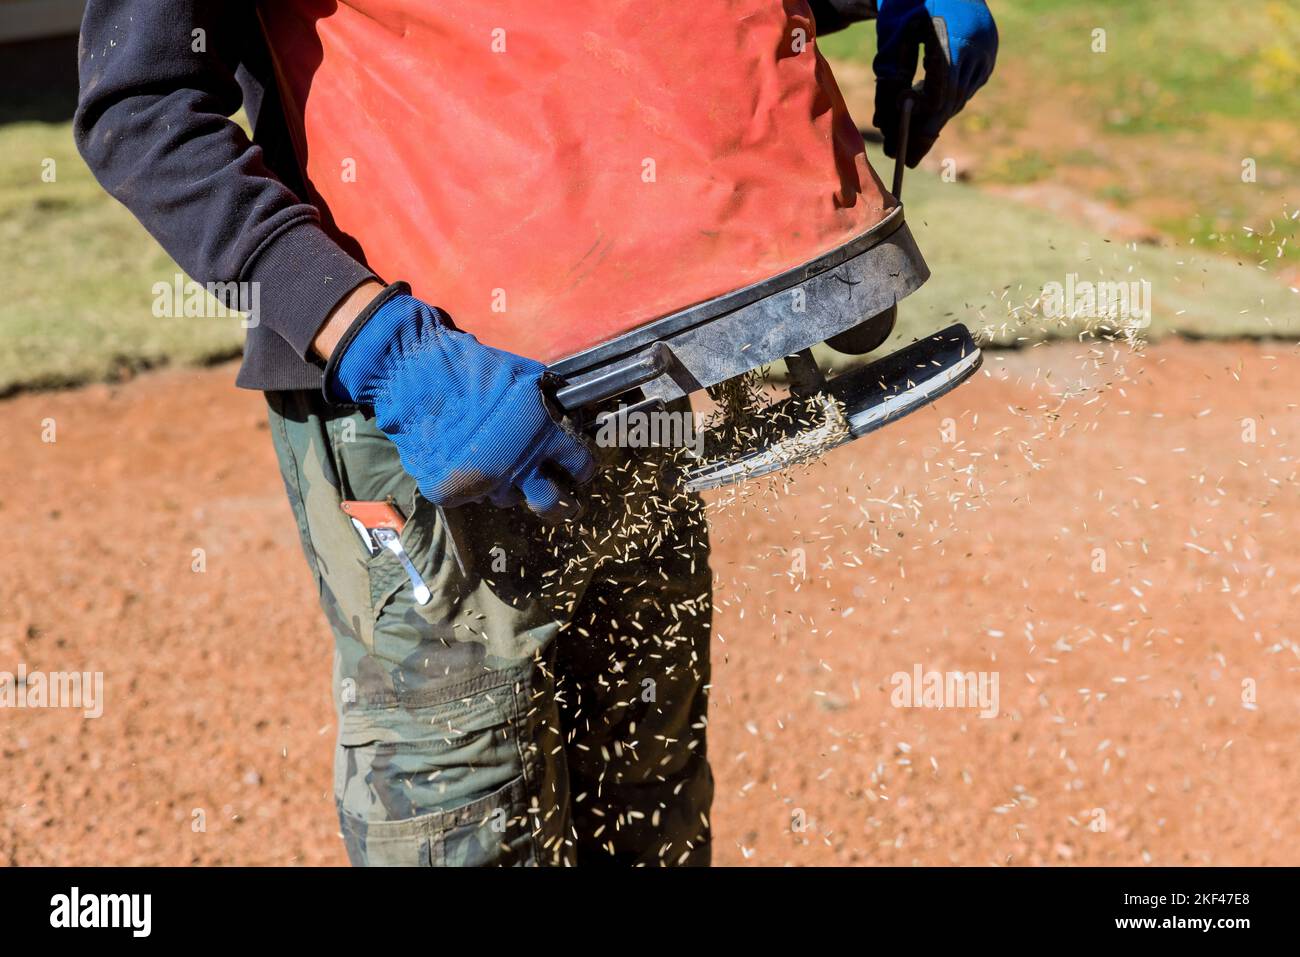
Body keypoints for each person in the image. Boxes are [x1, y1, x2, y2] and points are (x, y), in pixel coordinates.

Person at [75, 0, 996, 867]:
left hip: (655, 338)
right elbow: (142, 111)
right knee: (472, 808)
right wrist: (374, 342)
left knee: (649, 782)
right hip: (426, 395)